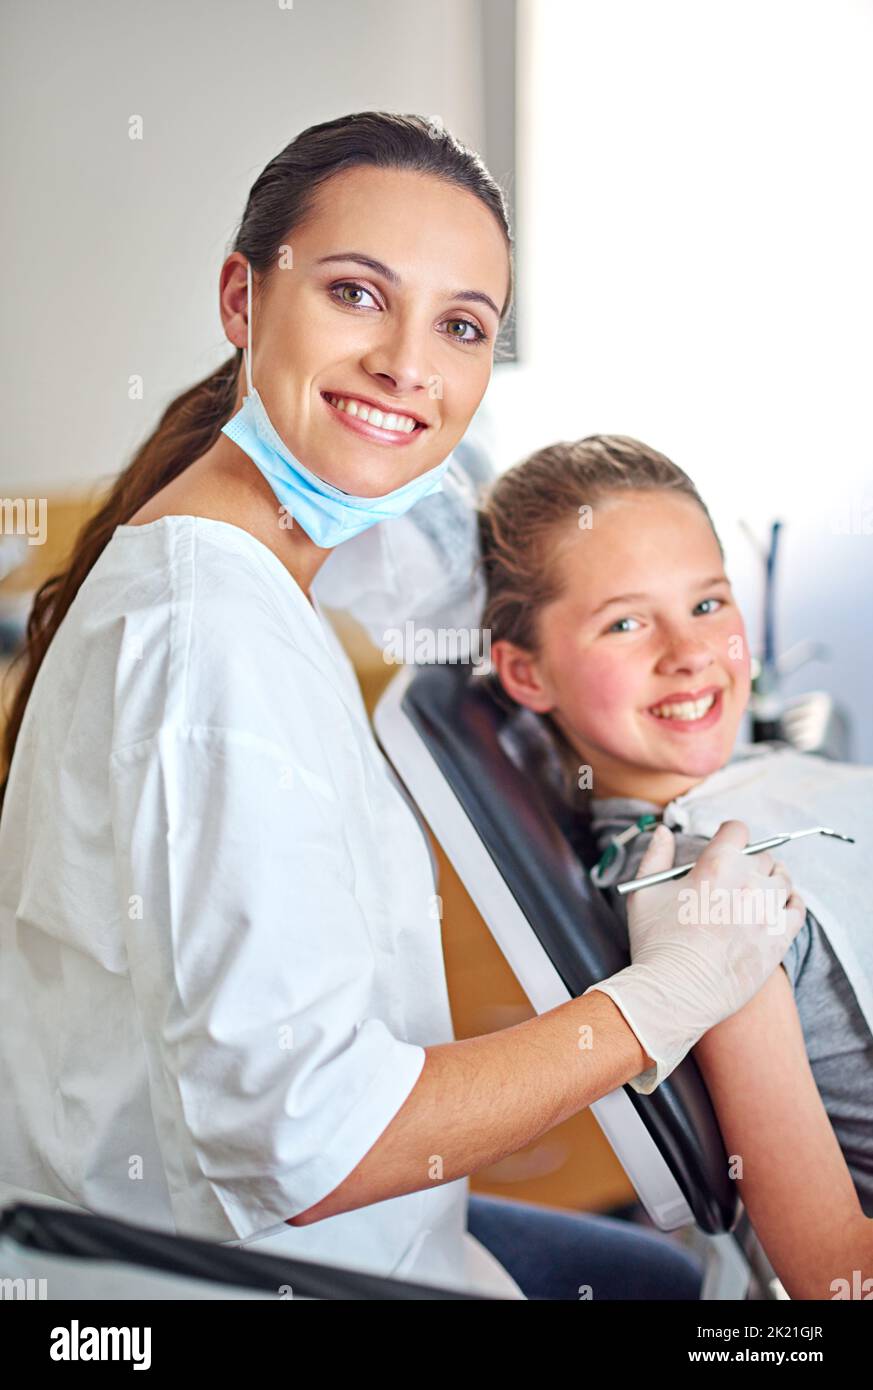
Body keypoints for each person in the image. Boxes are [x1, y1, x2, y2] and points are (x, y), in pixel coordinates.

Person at [0, 114, 803, 1302]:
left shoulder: (245, 572)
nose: (409, 366)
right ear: (240, 296)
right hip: (243, 1272)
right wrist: (658, 1002)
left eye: (461, 325)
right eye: (356, 294)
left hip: (334, 1229)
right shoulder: (209, 643)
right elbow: (305, 1143)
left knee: (647, 1274)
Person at [479, 433, 873, 1298]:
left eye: (707, 604)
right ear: (525, 671)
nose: (689, 653)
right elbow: (833, 1278)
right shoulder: (712, 896)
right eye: (624, 622)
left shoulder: (764, 786)